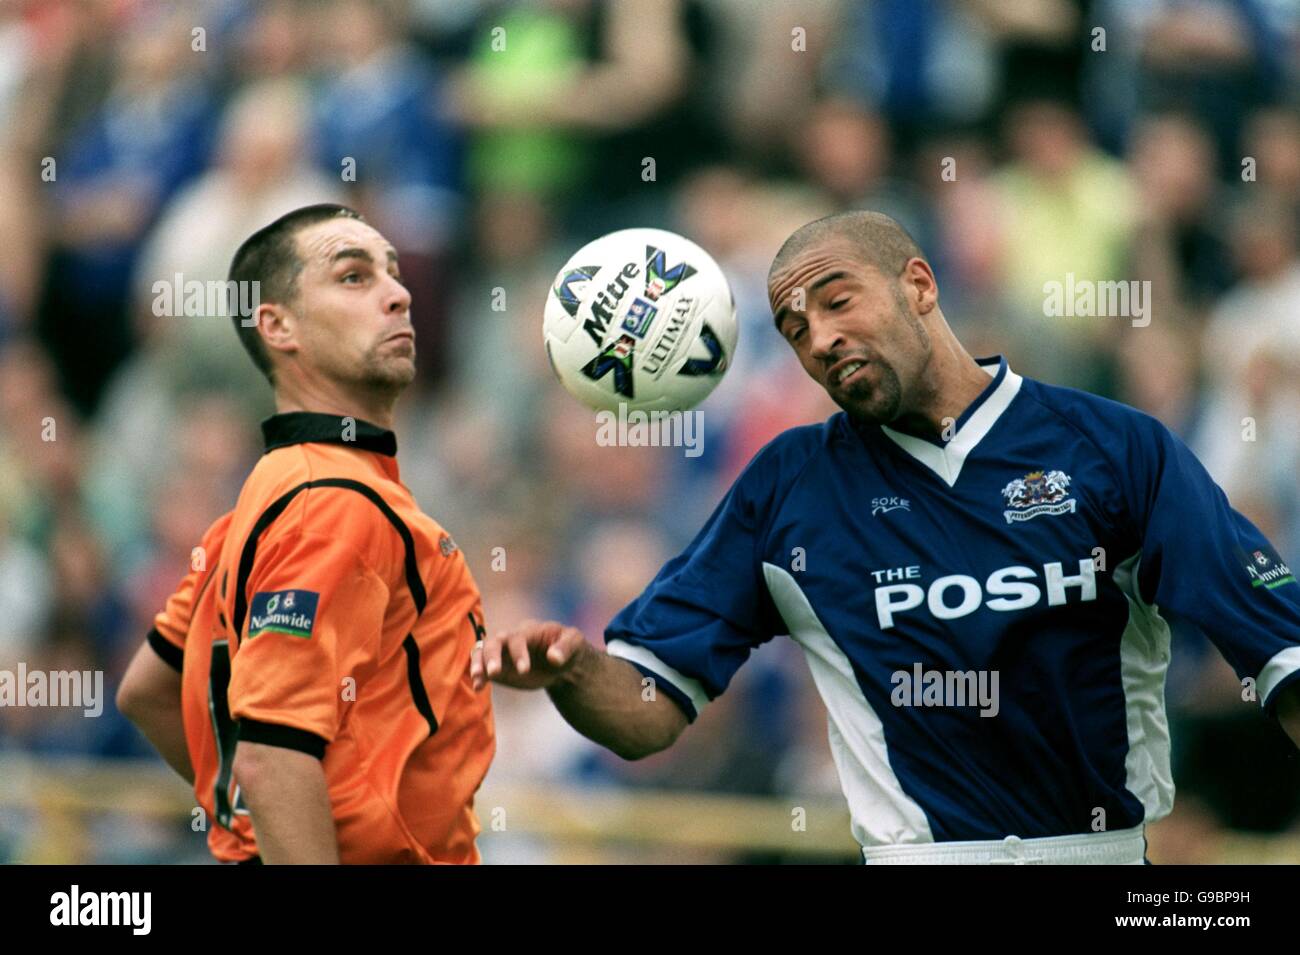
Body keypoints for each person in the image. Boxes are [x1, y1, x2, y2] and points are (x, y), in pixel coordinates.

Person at [476, 210, 1300, 864]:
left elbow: (1280, 652)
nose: (820, 338)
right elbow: (649, 710)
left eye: (837, 300)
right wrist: (575, 669)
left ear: (919, 284)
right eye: (794, 328)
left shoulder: (1116, 448)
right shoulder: (789, 486)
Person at [119, 203, 494, 864]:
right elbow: (269, 757)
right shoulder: (334, 505)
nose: (398, 293)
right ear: (278, 326)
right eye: (353, 276)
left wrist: (254, 833)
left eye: (393, 273)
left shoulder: (257, 507)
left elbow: (148, 690)